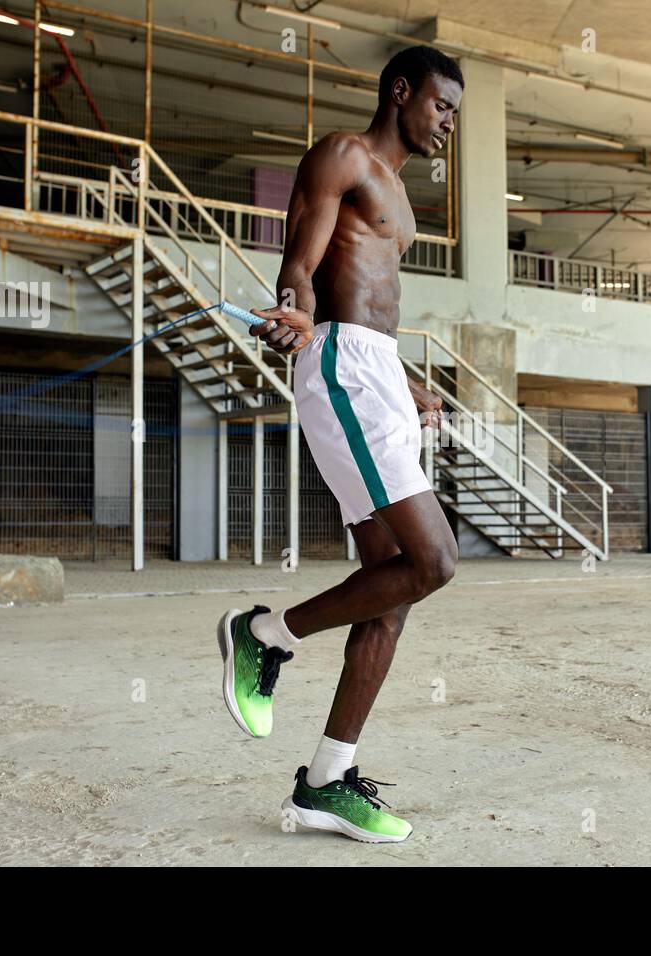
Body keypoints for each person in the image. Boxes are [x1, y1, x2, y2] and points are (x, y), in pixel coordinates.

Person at [217, 45, 464, 844]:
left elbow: (375, 305)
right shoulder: (343, 155)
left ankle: (326, 782)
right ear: (401, 91)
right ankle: (263, 634)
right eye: (441, 106)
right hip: (340, 365)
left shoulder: (404, 200)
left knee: (393, 593)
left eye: (455, 114)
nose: (448, 124)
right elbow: (302, 259)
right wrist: (294, 306)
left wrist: (409, 384)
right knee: (434, 561)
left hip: (379, 371)